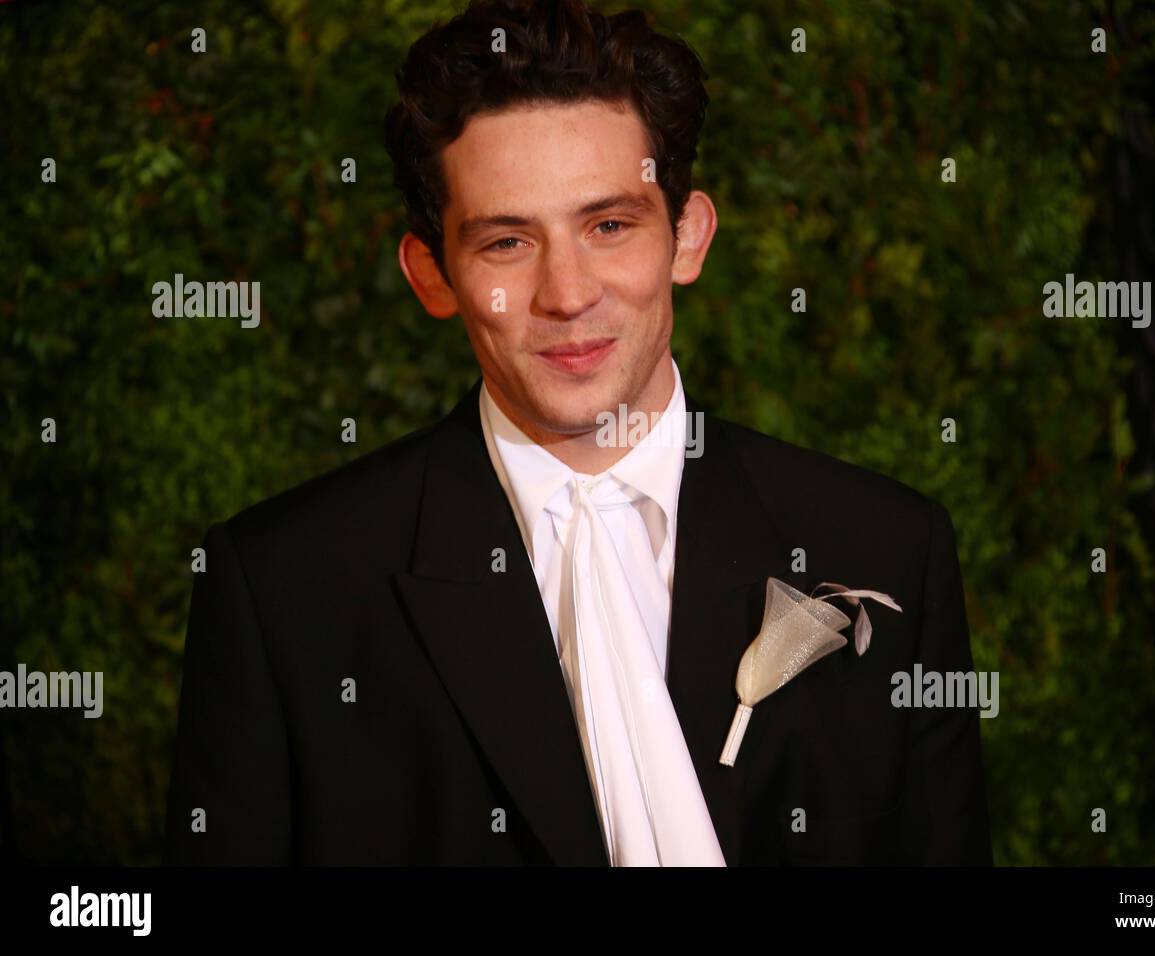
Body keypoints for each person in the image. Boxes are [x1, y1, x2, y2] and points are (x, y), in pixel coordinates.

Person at [164, 0, 992, 866]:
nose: (567, 293)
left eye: (608, 226)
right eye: (508, 242)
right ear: (431, 274)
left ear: (687, 237)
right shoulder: (285, 587)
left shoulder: (890, 544)